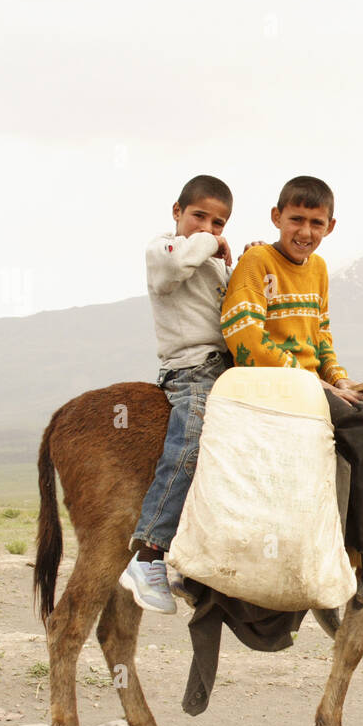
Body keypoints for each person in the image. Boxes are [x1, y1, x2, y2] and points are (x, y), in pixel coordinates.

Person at [220, 175, 363, 617]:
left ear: (331, 226)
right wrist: (311, 380)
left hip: (307, 384)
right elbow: (244, 337)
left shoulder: (318, 269)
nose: (305, 232)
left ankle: (351, 547)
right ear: (277, 218)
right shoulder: (257, 262)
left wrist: (340, 377)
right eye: (296, 220)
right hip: (269, 382)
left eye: (316, 223)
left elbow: (322, 336)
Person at [120, 174, 235, 613]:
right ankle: (148, 554)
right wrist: (210, 242)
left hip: (225, 371)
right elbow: (173, 267)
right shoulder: (162, 249)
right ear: (176, 212)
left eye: (218, 223)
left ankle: (196, 558)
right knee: (188, 446)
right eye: (199, 216)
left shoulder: (212, 261)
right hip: (191, 371)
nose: (207, 227)